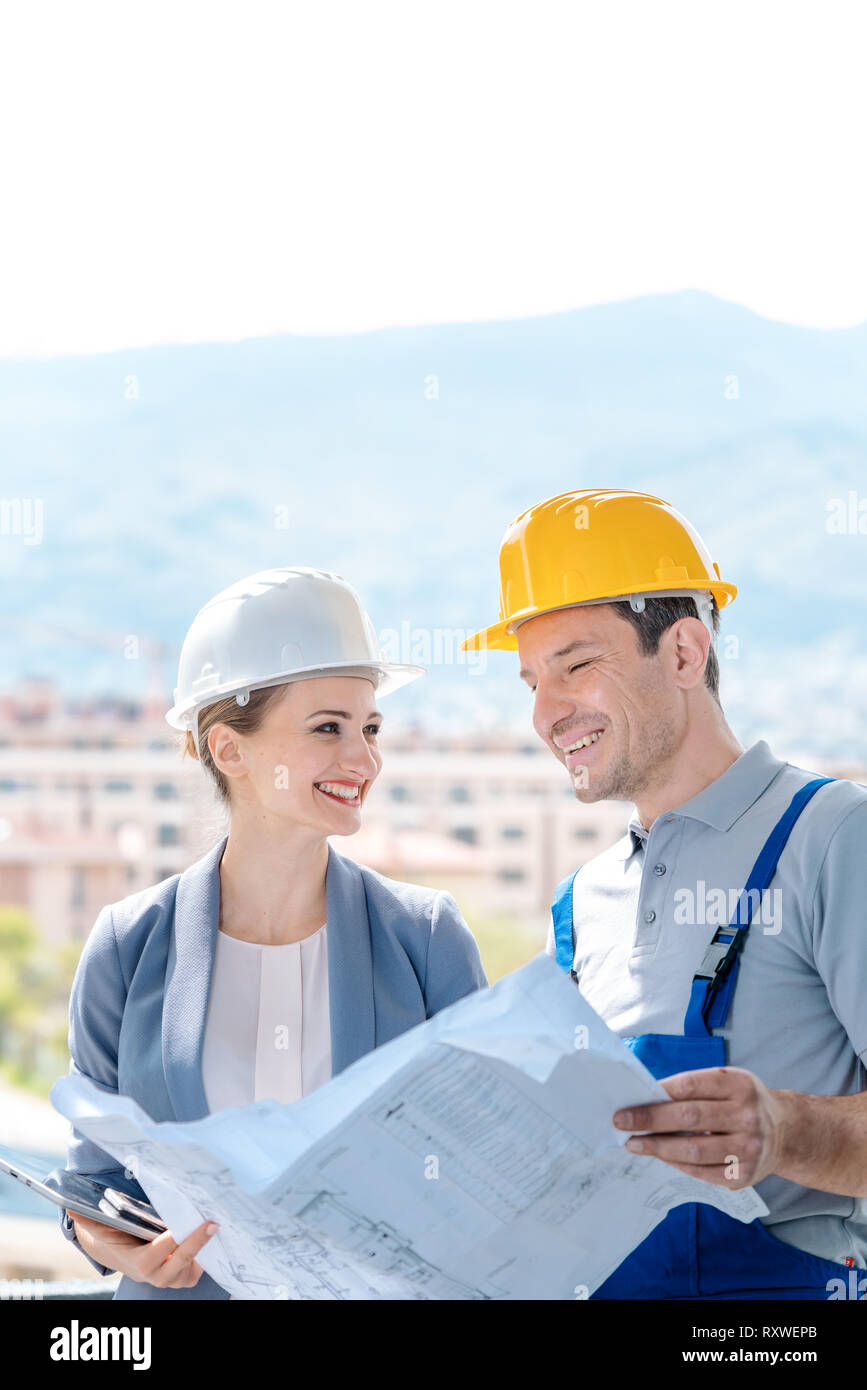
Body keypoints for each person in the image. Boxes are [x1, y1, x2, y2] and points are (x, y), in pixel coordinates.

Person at [461, 487, 867, 1300]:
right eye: (530, 681)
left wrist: (785, 1131)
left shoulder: (833, 836)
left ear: (683, 653)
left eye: (575, 665)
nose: (546, 712)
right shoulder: (580, 907)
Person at [57, 566, 487, 1300]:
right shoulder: (127, 947)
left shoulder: (425, 940)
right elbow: (91, 1189)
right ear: (229, 751)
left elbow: (486, 1169)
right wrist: (134, 1255)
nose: (364, 760)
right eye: (328, 729)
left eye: (370, 728)